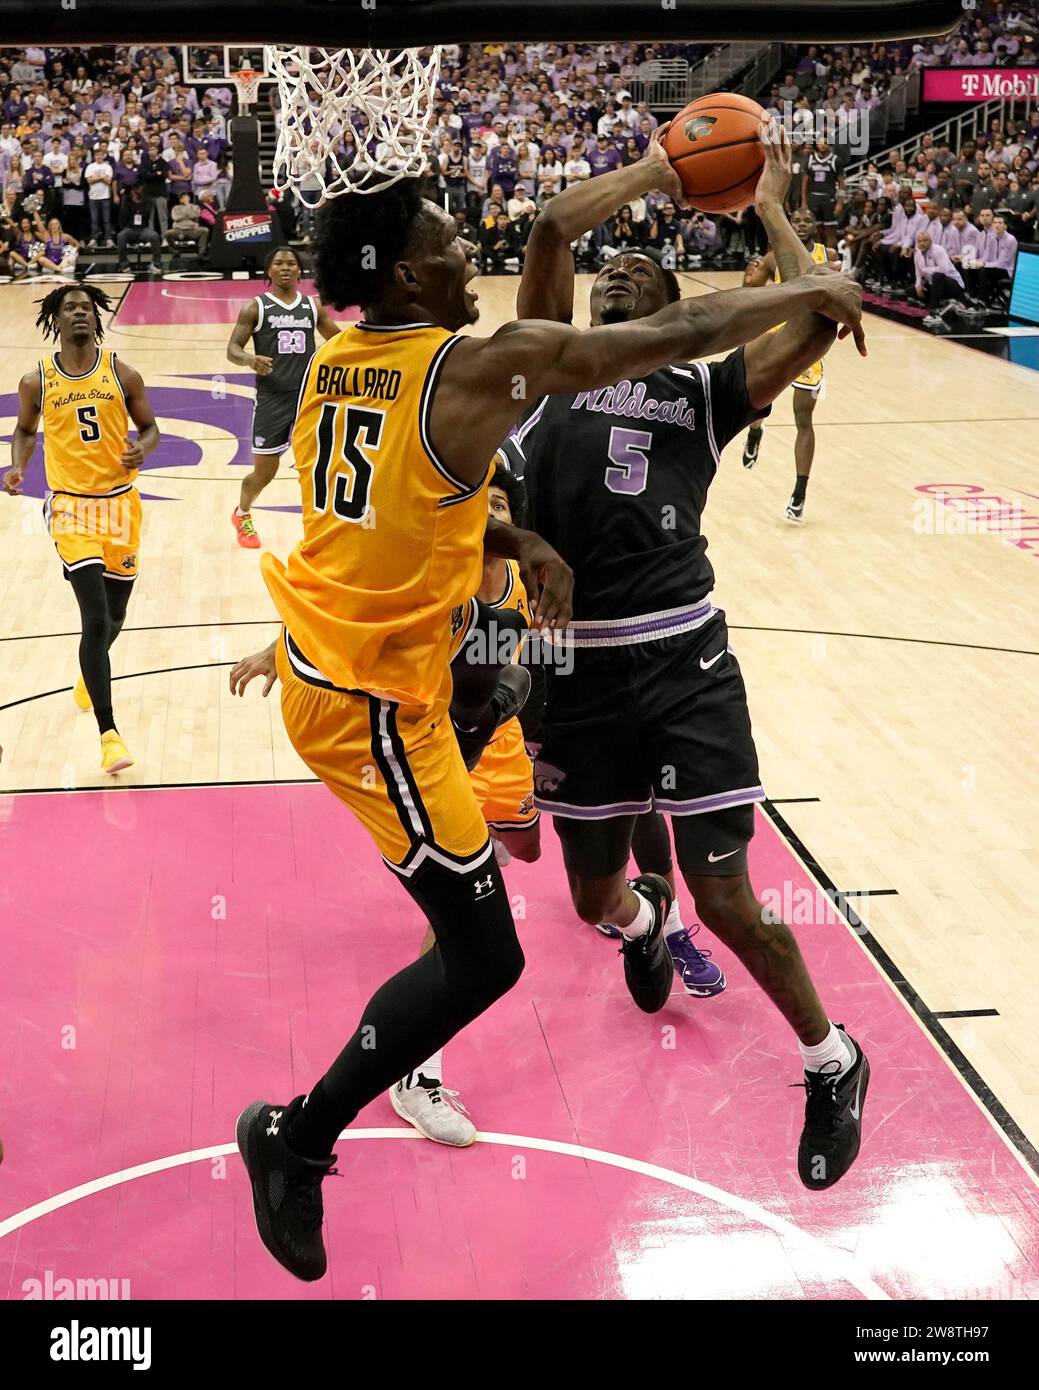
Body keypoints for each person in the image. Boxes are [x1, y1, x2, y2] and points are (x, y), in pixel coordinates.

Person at [229, 161, 864, 1282]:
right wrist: (776, 274)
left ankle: (721, 992)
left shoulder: (344, 359)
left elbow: (412, 507)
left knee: (505, 907)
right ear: (414, 271)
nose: (466, 252)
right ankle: (298, 1133)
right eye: (447, 240)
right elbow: (656, 331)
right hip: (375, 703)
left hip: (388, 679)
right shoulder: (477, 368)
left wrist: (514, 542)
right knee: (484, 950)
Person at [513, 119, 870, 1192]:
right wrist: (658, 177)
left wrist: (764, 201)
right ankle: (640, 922)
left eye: (639, 270)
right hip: (571, 671)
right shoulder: (541, 363)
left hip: (682, 657)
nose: (615, 273)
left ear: (674, 309)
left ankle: (831, 1057)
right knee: (586, 897)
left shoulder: (702, 389)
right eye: (608, 270)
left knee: (727, 894)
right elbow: (545, 229)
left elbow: (816, 311)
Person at [2, 284, 160, 773]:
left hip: (120, 506)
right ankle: (110, 736)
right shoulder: (37, 380)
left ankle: (89, 674)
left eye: (85, 308)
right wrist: (18, 466)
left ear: (96, 318)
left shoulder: (121, 372)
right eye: (68, 307)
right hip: (71, 507)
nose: (77, 314)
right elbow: (26, 430)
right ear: (56, 317)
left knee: (115, 619)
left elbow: (150, 427)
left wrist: (144, 448)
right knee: (93, 619)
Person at [226, 246, 340, 548]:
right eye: (279, 263)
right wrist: (250, 360)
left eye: (291, 263)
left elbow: (339, 340)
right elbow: (233, 349)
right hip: (272, 399)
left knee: (321, 465)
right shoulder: (255, 307)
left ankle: (322, 525)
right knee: (265, 471)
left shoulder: (312, 306)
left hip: (309, 397)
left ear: (300, 270)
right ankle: (243, 513)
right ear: (269, 271)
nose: (286, 267)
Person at [742, 207, 838, 522]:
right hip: (776, 338)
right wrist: (750, 279)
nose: (802, 224)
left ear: (815, 226)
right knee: (758, 400)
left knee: (803, 419)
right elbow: (750, 295)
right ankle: (755, 431)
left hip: (810, 345)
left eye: (808, 220)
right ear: (789, 224)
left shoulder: (830, 255)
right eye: (796, 220)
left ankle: (800, 490)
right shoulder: (774, 258)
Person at [115, 182, 160, 271]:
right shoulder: (126, 200)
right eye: (136, 191)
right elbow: (122, 218)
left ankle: (156, 264)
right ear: (132, 191)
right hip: (130, 228)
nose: (139, 193)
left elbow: (147, 215)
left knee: (154, 235)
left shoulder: (147, 201)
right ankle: (124, 264)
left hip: (143, 229)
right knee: (121, 236)